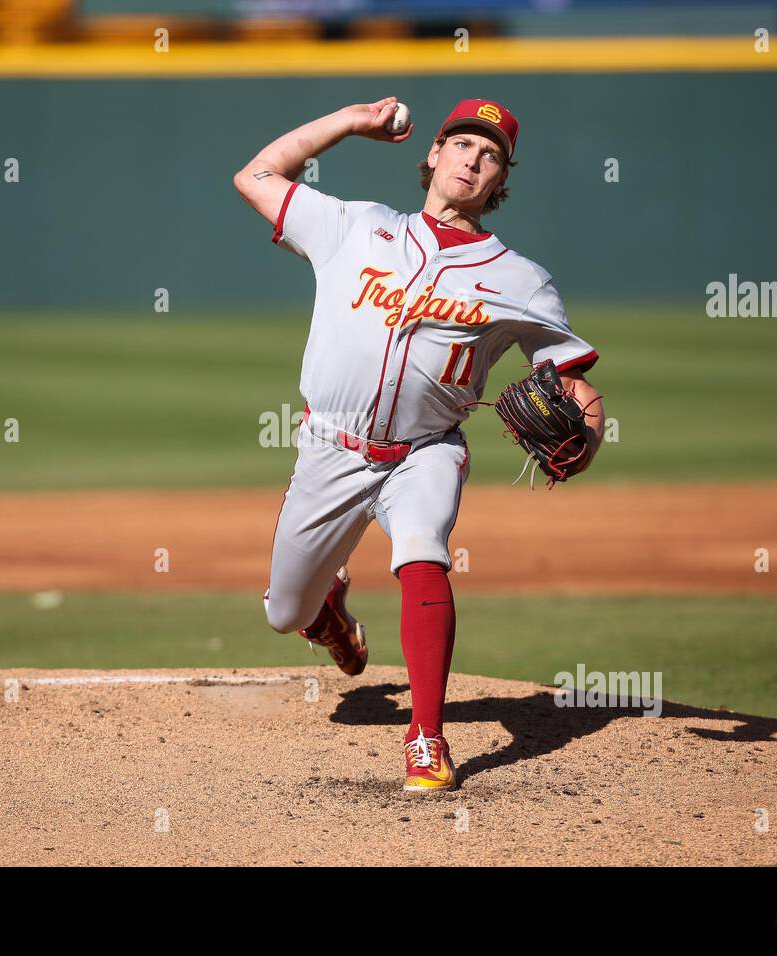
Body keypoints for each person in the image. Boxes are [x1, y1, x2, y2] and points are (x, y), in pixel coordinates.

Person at [233, 96, 605, 791]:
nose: (473, 159)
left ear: (500, 182)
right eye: (463, 143)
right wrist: (348, 121)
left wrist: (588, 437)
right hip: (330, 449)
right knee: (283, 611)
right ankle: (326, 611)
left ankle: (426, 740)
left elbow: (577, 383)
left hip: (426, 450)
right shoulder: (356, 224)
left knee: (423, 551)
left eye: (490, 155)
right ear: (433, 154)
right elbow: (256, 177)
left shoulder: (520, 281)